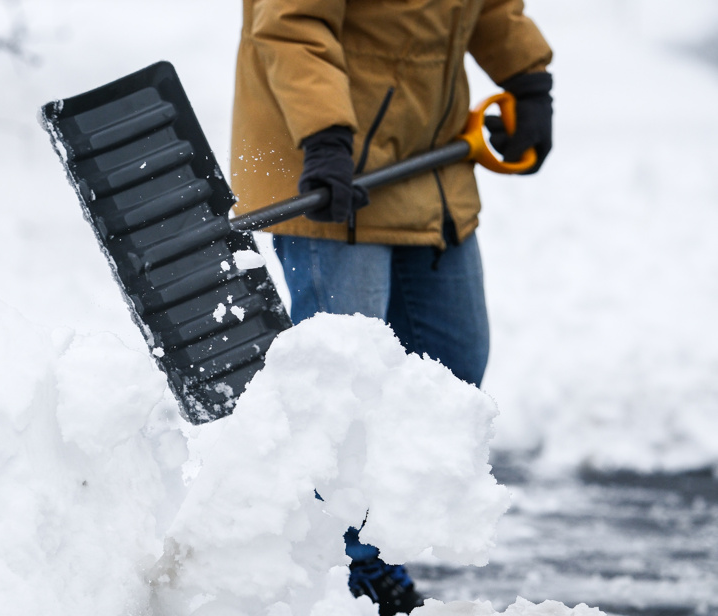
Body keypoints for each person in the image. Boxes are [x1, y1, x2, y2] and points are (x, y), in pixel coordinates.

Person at [230, 1, 553, 614]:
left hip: (426, 161)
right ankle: (344, 570)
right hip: (331, 166)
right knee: (343, 393)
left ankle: (369, 545)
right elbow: (292, 21)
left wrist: (527, 77)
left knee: (454, 363)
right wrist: (324, 136)